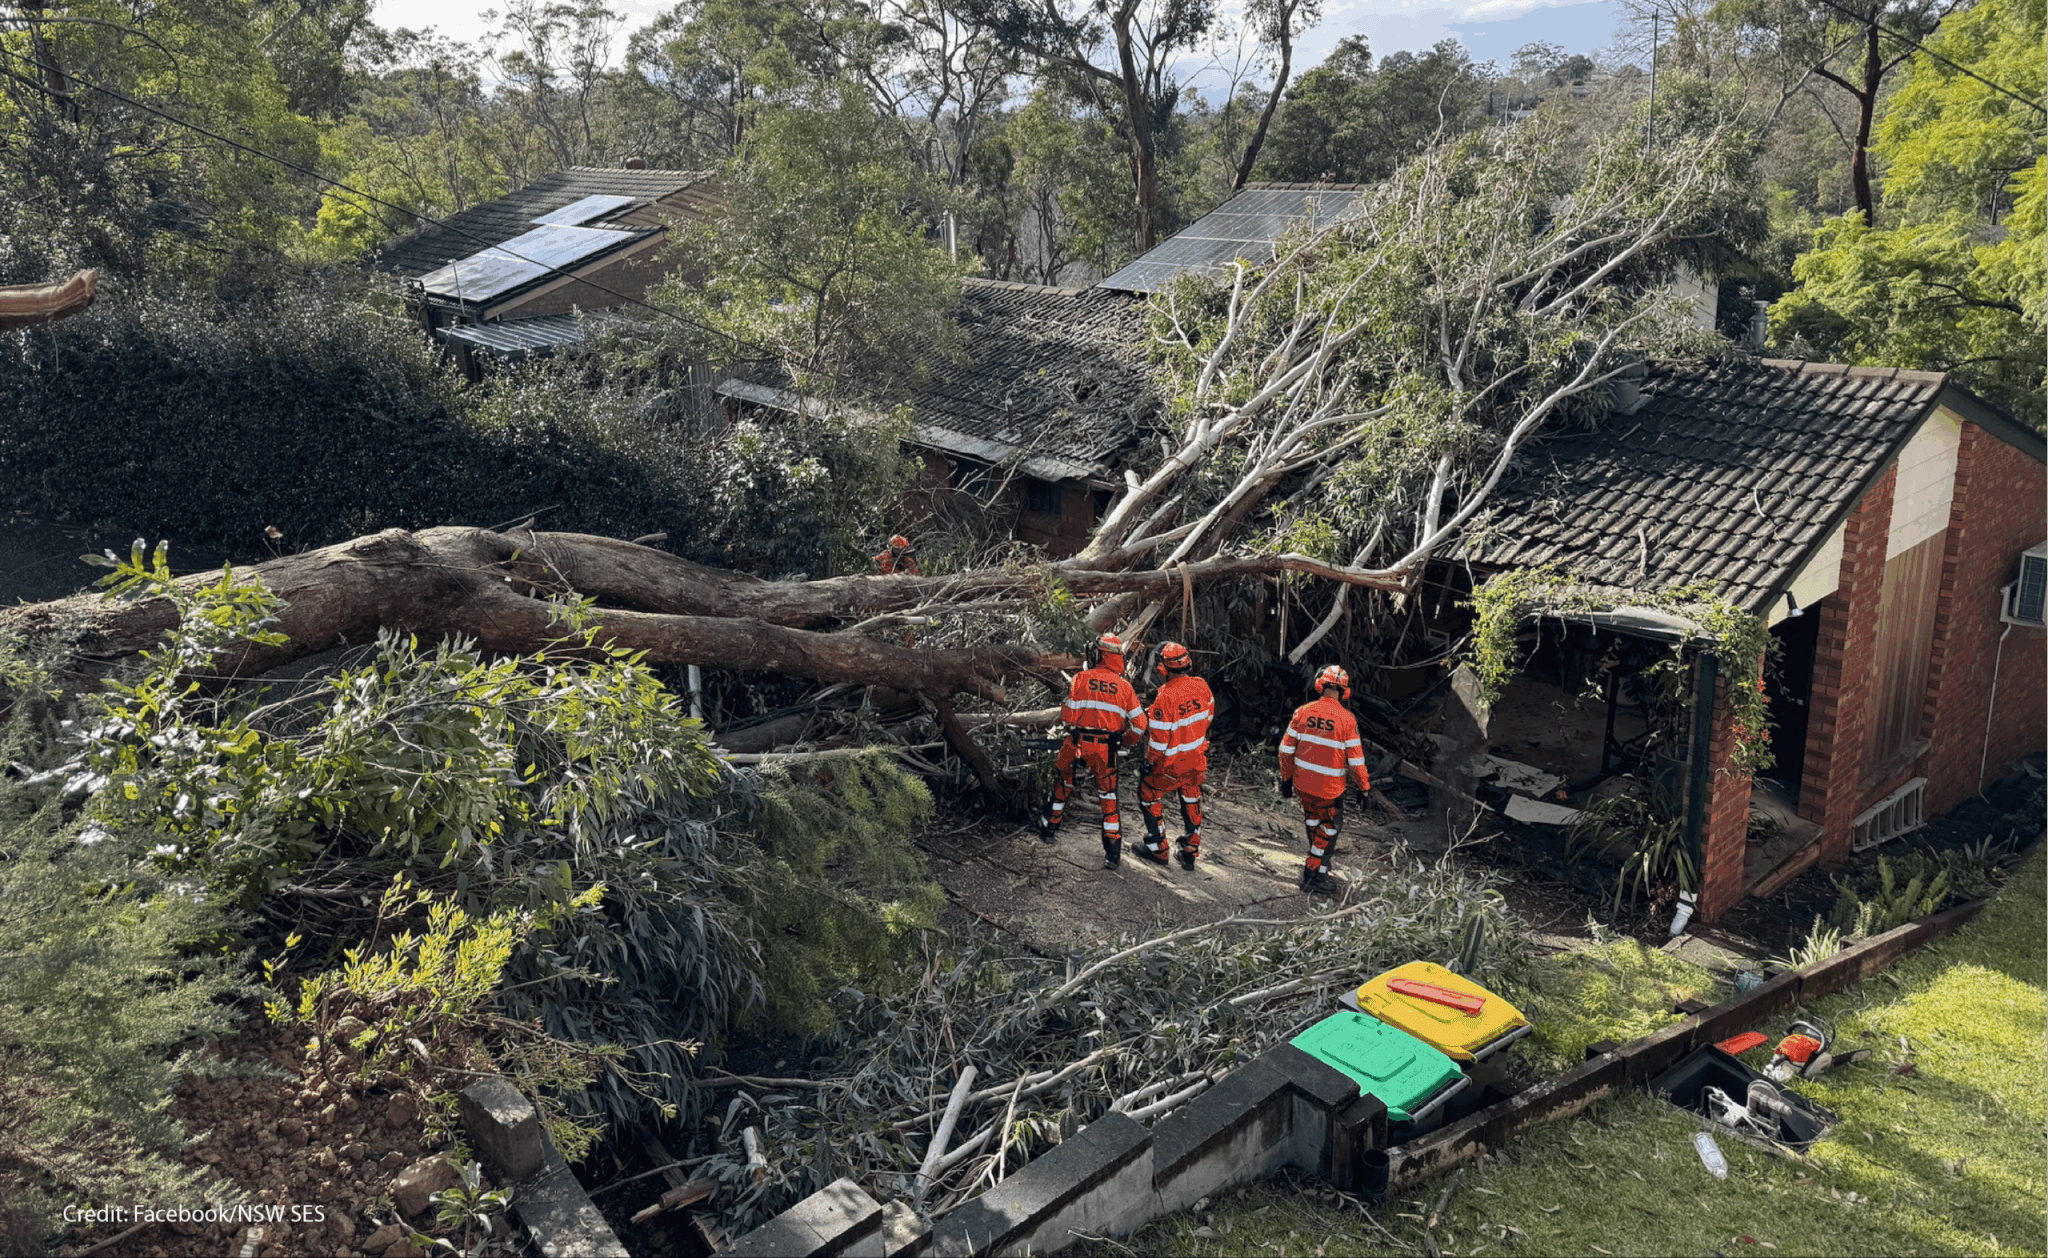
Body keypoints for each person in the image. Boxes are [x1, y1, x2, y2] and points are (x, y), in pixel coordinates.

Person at [1037, 633, 1148, 868]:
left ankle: (1049, 828)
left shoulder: (1080, 679)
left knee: (1063, 784)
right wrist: (1124, 741)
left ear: (1099, 654)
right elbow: (1140, 725)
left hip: (1078, 744)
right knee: (1108, 797)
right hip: (1106, 750)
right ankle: (1113, 854)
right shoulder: (1125, 687)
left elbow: (1068, 717)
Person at [1277, 664, 1372, 894]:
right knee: (1329, 829)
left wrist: (1286, 779)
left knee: (1313, 823)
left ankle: (1320, 868)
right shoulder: (1347, 719)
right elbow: (1356, 762)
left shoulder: (1303, 712)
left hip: (1303, 785)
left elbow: (1285, 750)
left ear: (1320, 683)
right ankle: (1312, 876)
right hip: (1329, 790)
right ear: (1344, 690)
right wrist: (1364, 788)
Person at [1137, 641, 1214, 870]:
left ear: (1163, 669)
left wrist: (1149, 762)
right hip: (1196, 760)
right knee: (1191, 797)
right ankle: (1189, 852)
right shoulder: (1202, 686)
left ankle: (1158, 848)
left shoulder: (1165, 697)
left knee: (1148, 794)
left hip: (1170, 765)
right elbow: (1208, 717)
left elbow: (1159, 742)